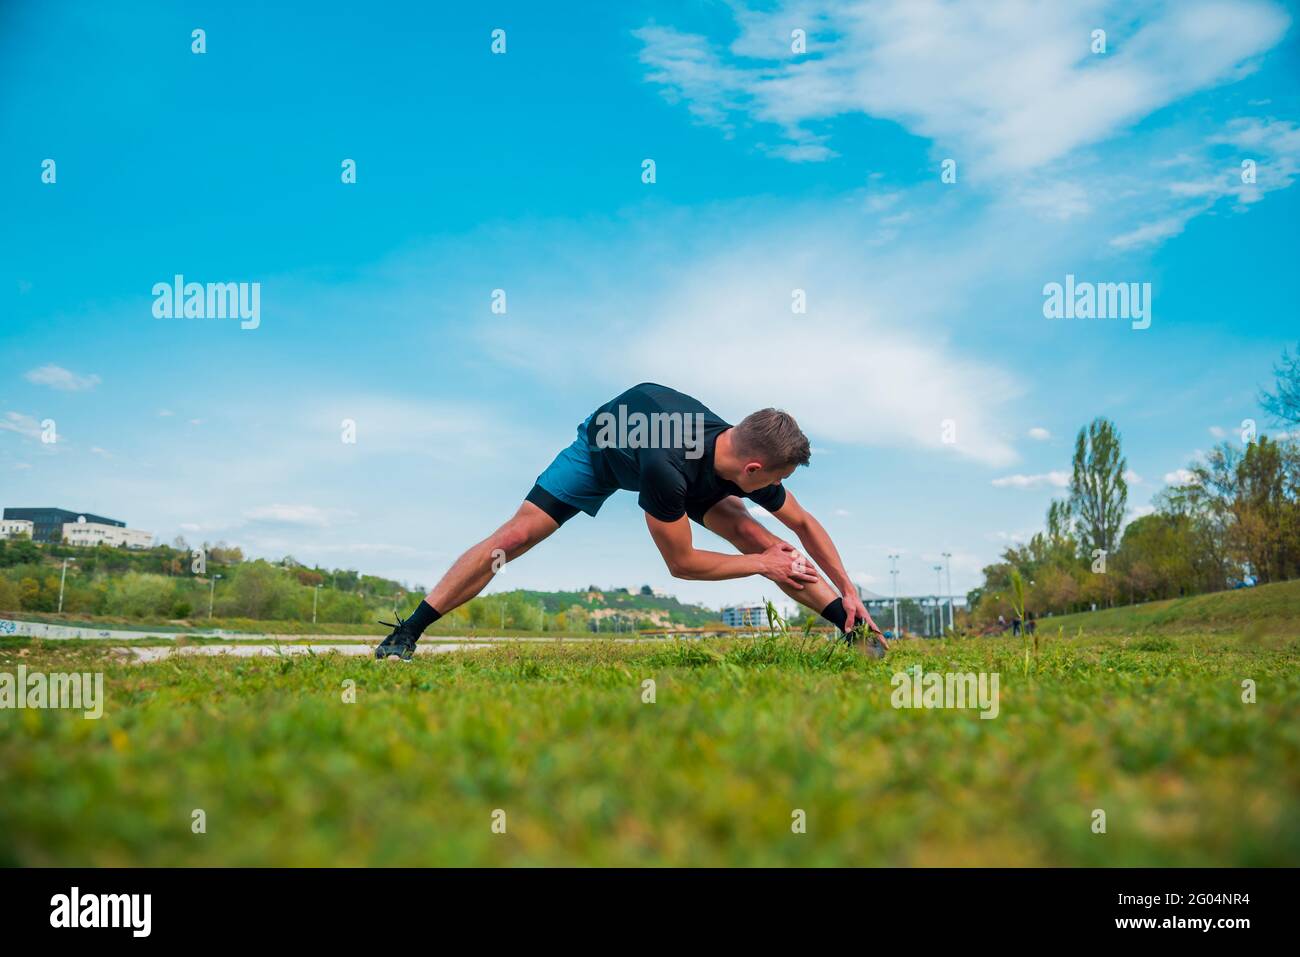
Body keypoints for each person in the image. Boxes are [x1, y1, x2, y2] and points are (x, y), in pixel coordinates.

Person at [375, 382, 886, 659]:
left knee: (763, 536)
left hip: (681, 457)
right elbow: (681, 564)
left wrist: (849, 587)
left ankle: (857, 633)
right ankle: (406, 634)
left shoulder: (742, 455)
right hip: (601, 451)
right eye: (770, 481)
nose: (773, 490)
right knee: (512, 540)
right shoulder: (669, 469)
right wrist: (759, 566)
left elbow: (805, 525)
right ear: (753, 468)